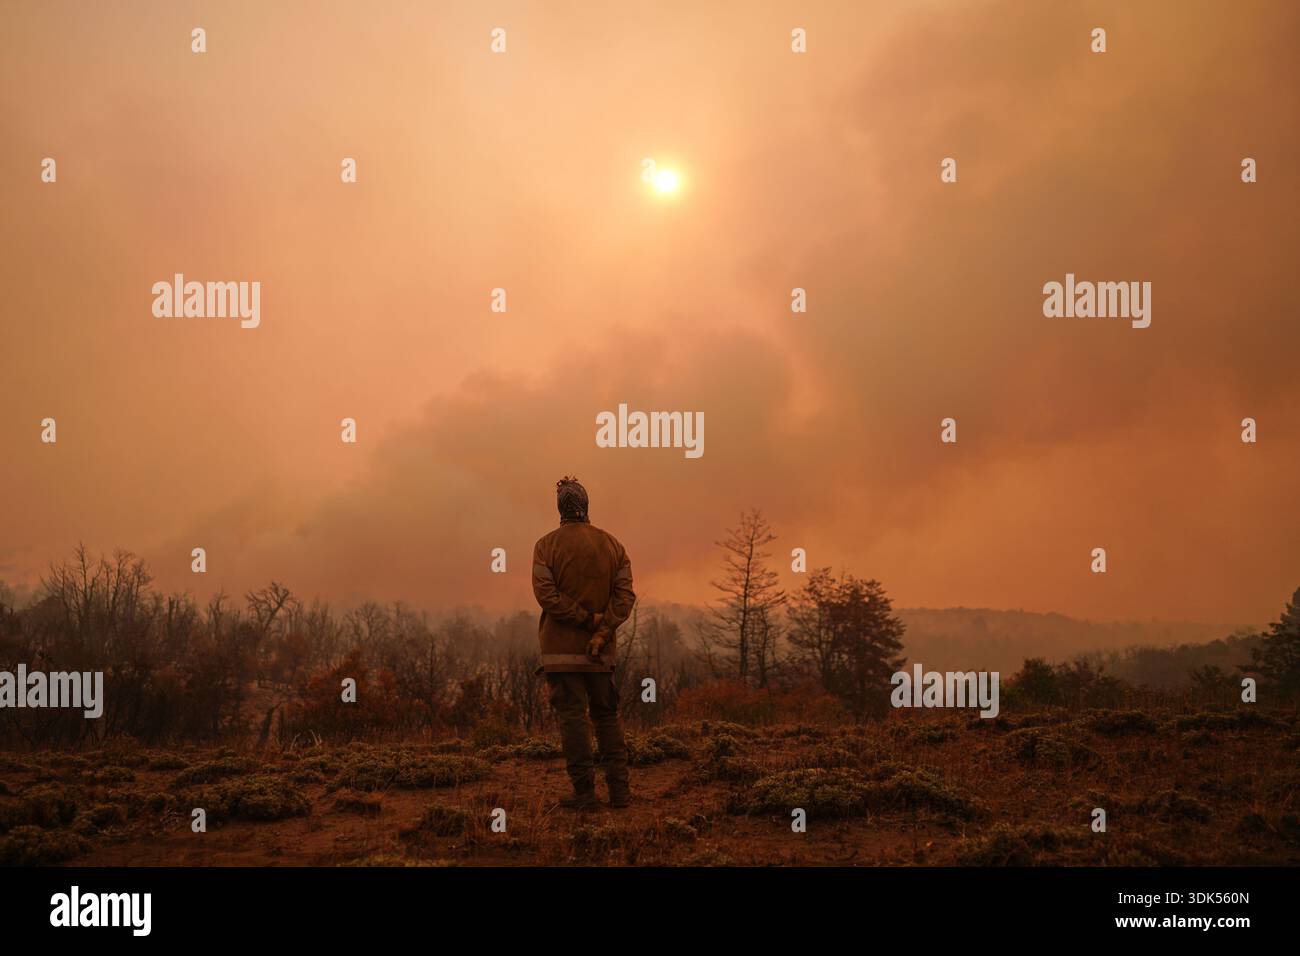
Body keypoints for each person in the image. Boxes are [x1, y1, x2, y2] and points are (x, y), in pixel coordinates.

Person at [531, 476, 636, 810]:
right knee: (606, 716)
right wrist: (601, 630)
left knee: (572, 719)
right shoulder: (613, 545)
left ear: (559, 508)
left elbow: (546, 596)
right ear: (586, 506)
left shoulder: (546, 546)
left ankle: (585, 795)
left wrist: (583, 620)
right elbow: (625, 598)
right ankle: (620, 794)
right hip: (600, 654)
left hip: (560, 654)